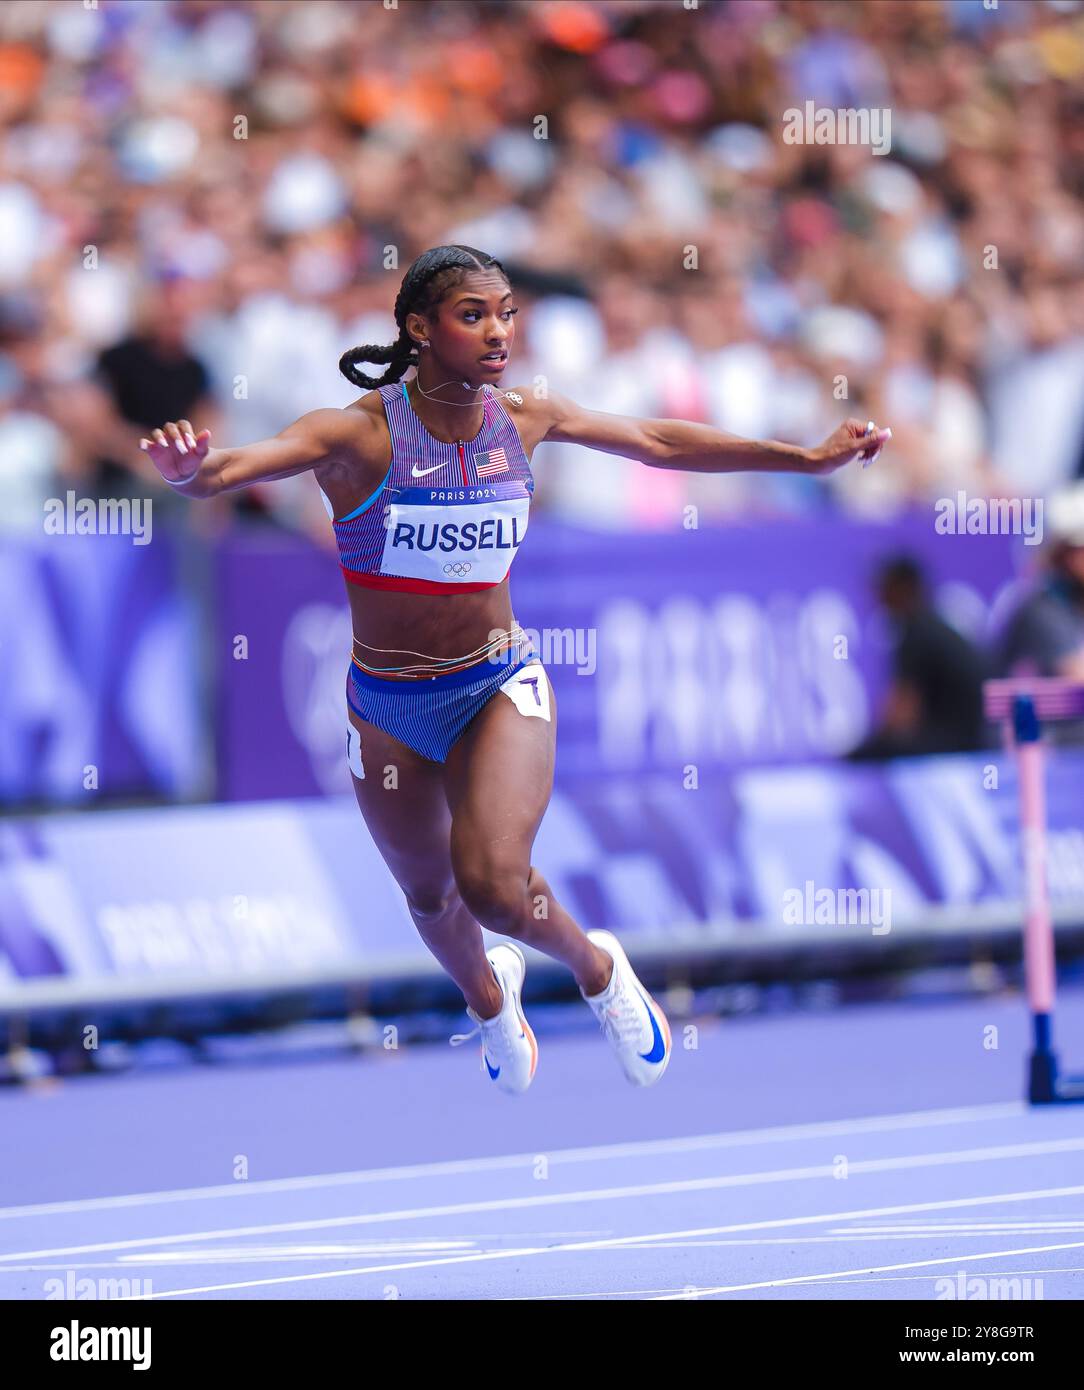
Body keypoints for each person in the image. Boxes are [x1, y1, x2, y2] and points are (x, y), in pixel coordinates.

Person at [140, 244, 890, 1096]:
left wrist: (804, 460)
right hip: (386, 707)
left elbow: (656, 440)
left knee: (494, 887)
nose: (498, 331)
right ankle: (490, 999)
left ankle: (598, 970)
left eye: (506, 314)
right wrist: (190, 473)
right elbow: (230, 472)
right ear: (419, 329)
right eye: (473, 315)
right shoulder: (355, 436)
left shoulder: (525, 417)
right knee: (430, 901)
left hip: (497, 684)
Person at [848, 556, 989, 761]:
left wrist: (868, 746)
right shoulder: (934, 626)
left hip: (953, 744)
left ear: (903, 588)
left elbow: (902, 715)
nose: (879, 597)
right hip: (973, 738)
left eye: (885, 588)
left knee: (866, 755)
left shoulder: (916, 633)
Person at [992, 483, 1084, 684]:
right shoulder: (1041, 609)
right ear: (1065, 554)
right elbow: (1077, 675)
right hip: (1030, 716)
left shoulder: (1074, 603)